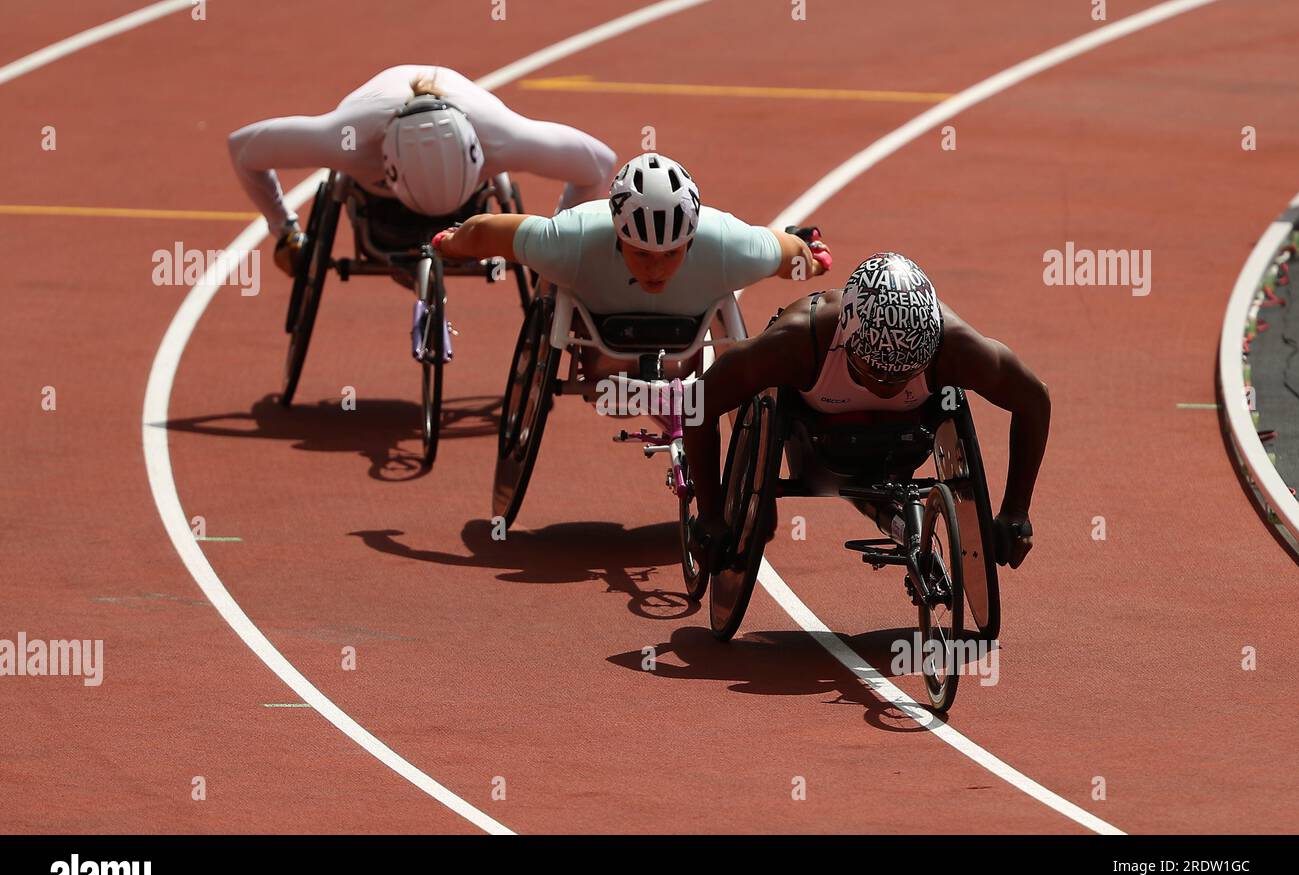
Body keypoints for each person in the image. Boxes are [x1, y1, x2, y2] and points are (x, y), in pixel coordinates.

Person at [683, 252, 1048, 569]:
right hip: (814, 444)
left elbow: (1034, 399)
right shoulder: (797, 342)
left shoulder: (957, 348)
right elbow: (699, 402)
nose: (887, 388)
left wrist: (1016, 511)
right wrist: (711, 514)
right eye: (873, 374)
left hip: (904, 444)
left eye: (903, 377)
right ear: (845, 337)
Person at [432, 151, 834, 381]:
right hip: (594, 340)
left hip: (680, 344)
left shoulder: (728, 244)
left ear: (691, 240)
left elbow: (786, 253)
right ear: (617, 236)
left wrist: (812, 261)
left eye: (671, 253)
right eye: (641, 253)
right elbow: (485, 233)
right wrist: (453, 244)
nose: (655, 269)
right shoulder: (570, 239)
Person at [227, 64, 618, 275]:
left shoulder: (503, 137)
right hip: (382, 209)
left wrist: (552, 252)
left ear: (477, 155)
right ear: (387, 164)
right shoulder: (345, 140)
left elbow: (599, 163)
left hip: (468, 212)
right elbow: (242, 148)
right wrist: (286, 232)